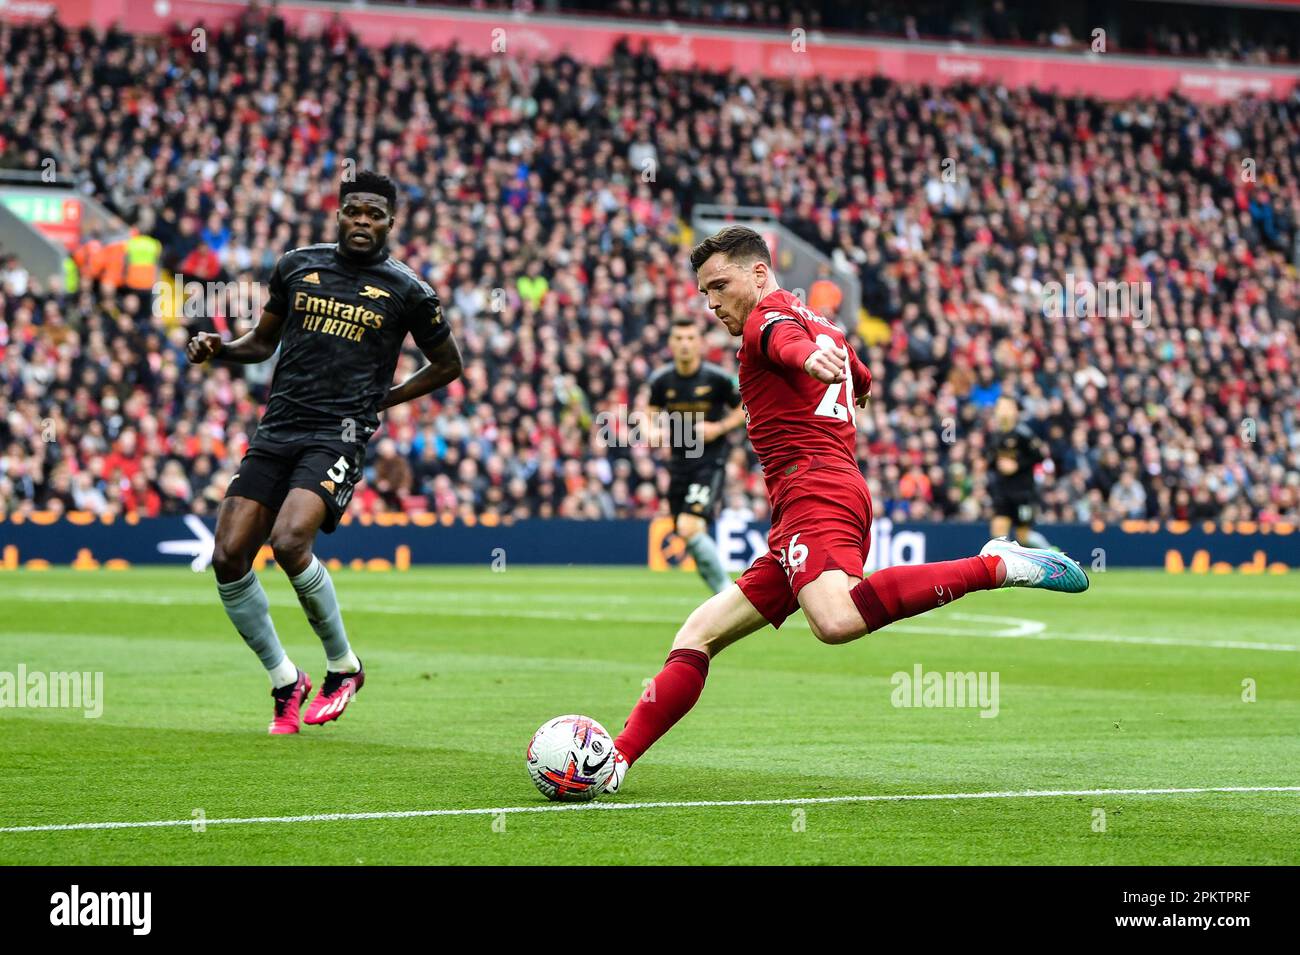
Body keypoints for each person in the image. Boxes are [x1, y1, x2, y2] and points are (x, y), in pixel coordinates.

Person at [601, 226, 1087, 796]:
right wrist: (836, 369)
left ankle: (996, 565)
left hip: (816, 491)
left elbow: (787, 342)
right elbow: (859, 373)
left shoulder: (771, 319)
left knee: (834, 620)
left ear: (759, 274)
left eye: (719, 285)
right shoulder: (823, 321)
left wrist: (807, 361)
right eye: (704, 292)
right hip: (808, 498)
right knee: (699, 632)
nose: (711, 304)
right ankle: (617, 761)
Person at [185, 171, 463, 734]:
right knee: (229, 556)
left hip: (338, 430)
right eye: (353, 211)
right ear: (339, 214)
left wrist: (385, 398)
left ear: (390, 222)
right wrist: (221, 348)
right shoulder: (296, 266)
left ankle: (343, 666)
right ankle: (285, 679)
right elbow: (262, 343)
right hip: (278, 426)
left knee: (289, 541)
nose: (363, 221)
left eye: (375, 214)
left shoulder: (408, 290)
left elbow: (448, 364)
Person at [644, 316, 747, 593]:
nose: (685, 344)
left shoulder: (717, 379)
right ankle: (722, 595)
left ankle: (728, 594)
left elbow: (744, 408)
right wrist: (650, 430)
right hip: (678, 464)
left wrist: (719, 427)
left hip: (709, 462)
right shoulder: (662, 380)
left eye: (690, 338)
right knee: (687, 531)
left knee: (690, 526)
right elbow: (648, 413)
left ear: (700, 343)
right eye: (679, 339)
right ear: (670, 344)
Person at [988, 395, 1054, 549]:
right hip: (1002, 492)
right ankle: (1005, 569)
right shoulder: (995, 435)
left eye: (1006, 407)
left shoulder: (1023, 433)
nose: (1002, 411)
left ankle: (1052, 555)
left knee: (1023, 536)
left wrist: (1017, 465)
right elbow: (991, 460)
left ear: (1015, 411)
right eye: (999, 407)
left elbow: (1040, 456)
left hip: (1023, 492)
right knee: (998, 532)